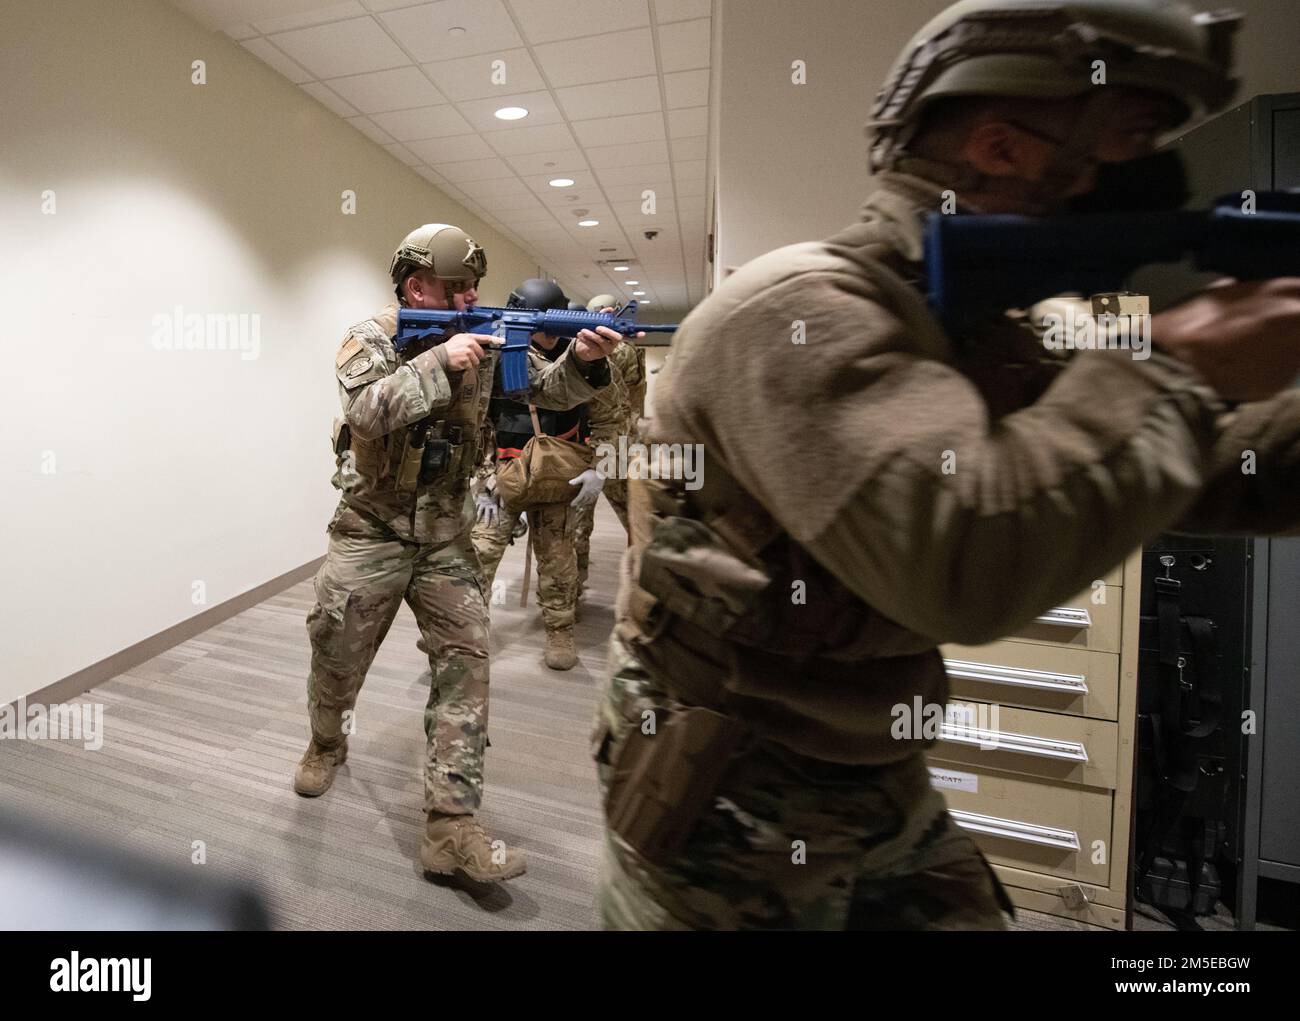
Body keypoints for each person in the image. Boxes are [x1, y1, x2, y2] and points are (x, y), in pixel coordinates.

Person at [593, 0, 1300, 929]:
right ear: (1003, 146)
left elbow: (1208, 464)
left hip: (881, 768)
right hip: (727, 788)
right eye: (1123, 139)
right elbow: (961, 564)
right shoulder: (797, 310)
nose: (1150, 176)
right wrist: (1178, 367)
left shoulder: (1000, 325)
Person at [297, 225, 622, 885]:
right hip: (371, 529)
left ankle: (451, 828)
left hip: (446, 534)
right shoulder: (374, 337)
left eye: (474, 283)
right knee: (336, 653)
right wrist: (440, 362)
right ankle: (326, 741)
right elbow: (366, 412)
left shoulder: (487, 337)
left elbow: (547, 391)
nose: (471, 294)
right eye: (456, 285)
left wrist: (585, 359)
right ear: (416, 285)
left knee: (467, 665)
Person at [471, 279, 600, 670]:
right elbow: (476, 421)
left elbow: (609, 417)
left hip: (557, 475)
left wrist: (599, 468)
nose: (537, 332)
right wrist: (481, 480)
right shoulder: (498, 351)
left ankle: (559, 630)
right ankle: (463, 632)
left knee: (558, 559)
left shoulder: (585, 354)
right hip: (503, 477)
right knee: (477, 554)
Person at [572, 294, 648, 605]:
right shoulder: (626, 350)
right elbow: (633, 399)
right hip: (616, 446)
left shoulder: (579, 349)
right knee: (637, 520)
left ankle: (573, 594)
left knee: (577, 527)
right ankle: (640, 590)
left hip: (587, 445)